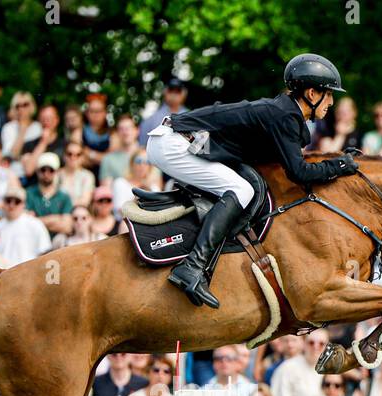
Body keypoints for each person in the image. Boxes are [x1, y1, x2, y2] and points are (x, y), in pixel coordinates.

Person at [145, 54, 358, 309]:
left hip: (186, 142)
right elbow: (299, 173)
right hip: (173, 144)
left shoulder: (285, 112)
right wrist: (340, 164)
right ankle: (192, 267)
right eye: (329, 94)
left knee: (250, 185)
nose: (332, 102)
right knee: (241, 189)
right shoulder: (284, 116)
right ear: (312, 94)